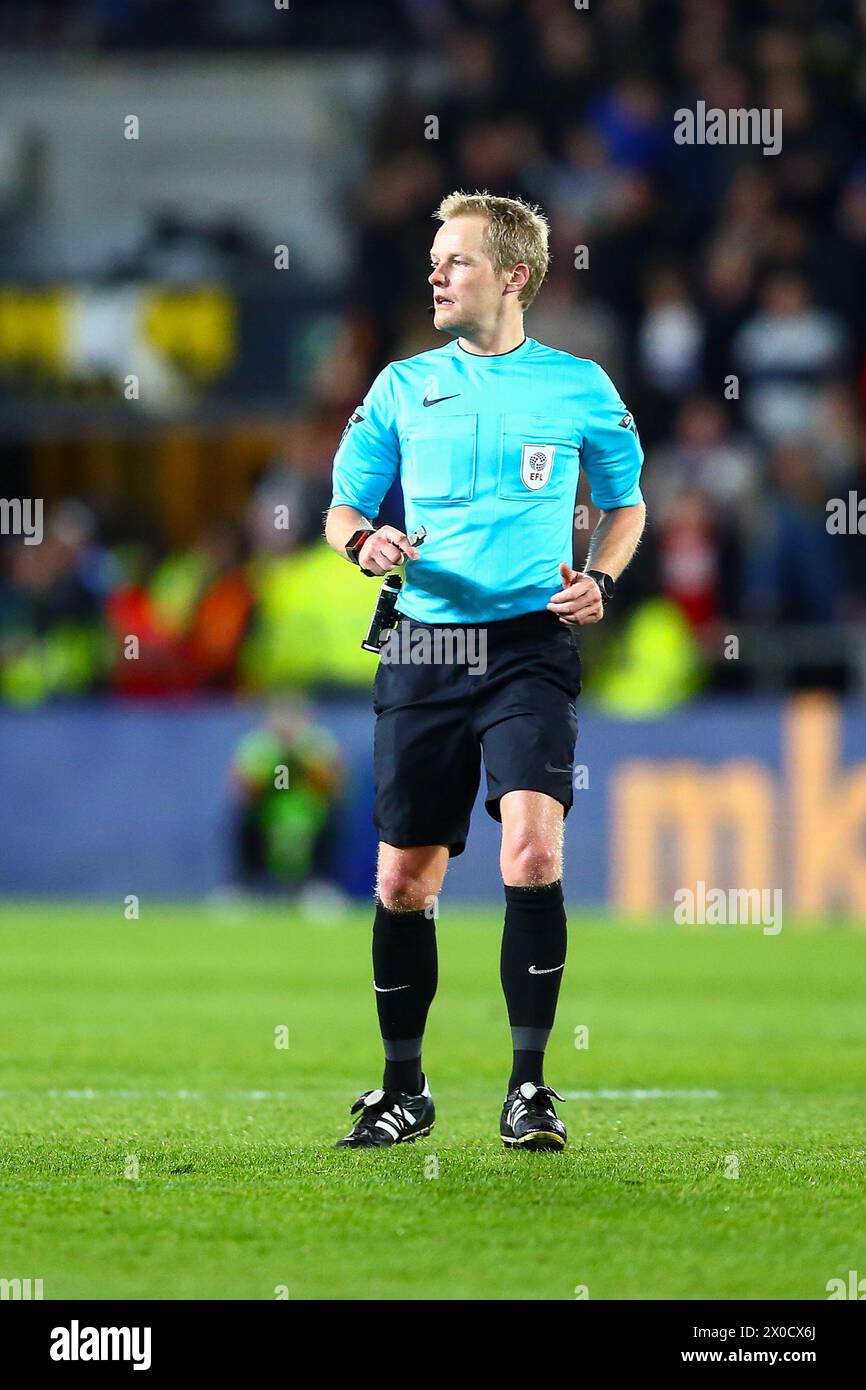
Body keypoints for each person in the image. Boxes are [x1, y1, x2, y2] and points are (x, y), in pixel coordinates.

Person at [325, 190, 646, 1150]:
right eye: (434, 259)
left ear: (514, 275)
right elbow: (341, 508)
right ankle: (402, 1089)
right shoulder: (398, 386)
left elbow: (626, 506)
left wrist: (602, 578)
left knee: (533, 851)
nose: (435, 273)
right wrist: (367, 544)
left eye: (455, 260)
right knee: (404, 884)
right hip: (426, 644)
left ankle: (530, 1086)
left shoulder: (580, 386)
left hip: (527, 648)